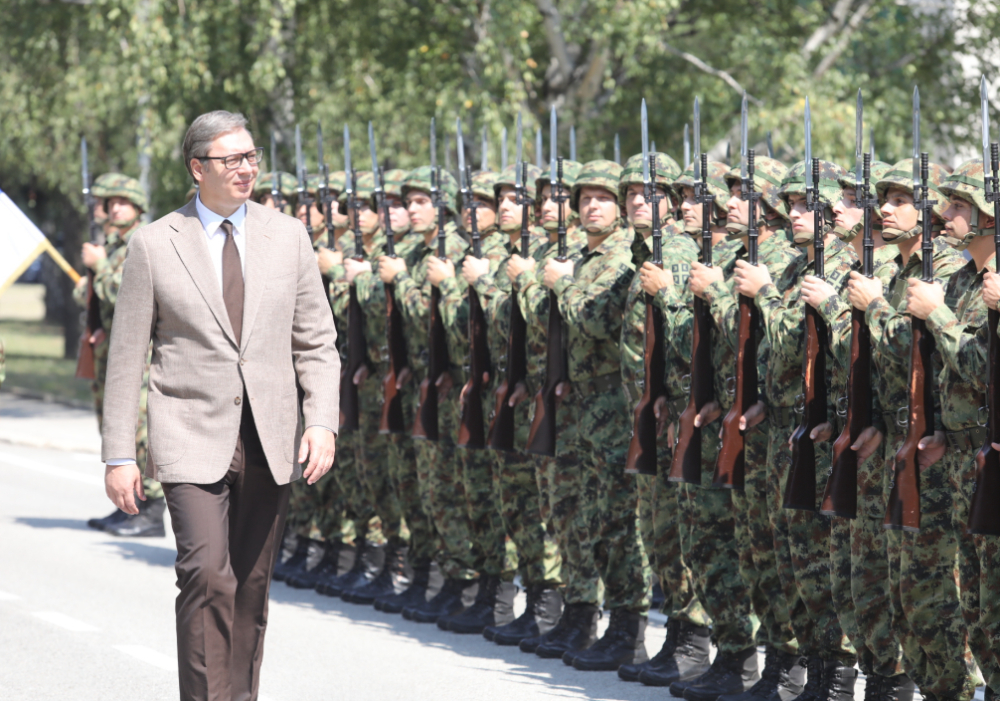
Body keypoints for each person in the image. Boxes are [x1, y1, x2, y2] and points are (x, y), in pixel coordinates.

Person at [100, 110, 340, 701]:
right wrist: (117, 456)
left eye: (251, 156)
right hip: (188, 433)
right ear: (197, 168)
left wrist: (323, 422)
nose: (246, 169)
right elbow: (126, 356)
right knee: (206, 575)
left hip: (269, 434)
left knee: (251, 586)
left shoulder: (288, 237)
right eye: (231, 159)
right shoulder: (154, 244)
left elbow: (317, 341)